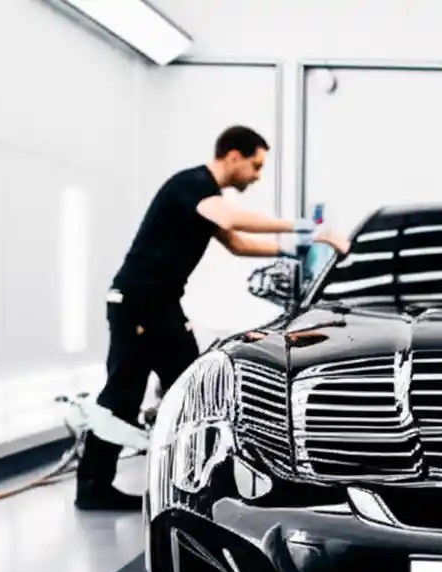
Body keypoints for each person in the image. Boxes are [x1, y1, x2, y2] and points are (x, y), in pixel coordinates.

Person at [74, 125, 347, 510]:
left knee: (190, 391)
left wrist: (295, 250)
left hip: (164, 307)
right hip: (137, 303)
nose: (256, 175)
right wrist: (312, 228)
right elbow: (235, 222)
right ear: (232, 156)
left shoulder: (205, 198)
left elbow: (236, 244)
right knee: (122, 392)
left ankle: (193, 482)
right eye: (255, 165)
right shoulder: (192, 185)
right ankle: (92, 488)